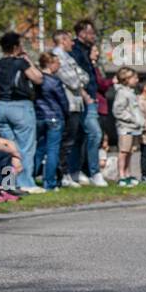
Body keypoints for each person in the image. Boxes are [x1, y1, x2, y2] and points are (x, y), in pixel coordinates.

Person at [0, 31, 43, 192]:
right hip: (20, 106)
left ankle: (9, 182)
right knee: (26, 147)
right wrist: (27, 60)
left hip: (1, 105)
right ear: (16, 47)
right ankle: (26, 183)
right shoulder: (20, 62)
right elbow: (38, 78)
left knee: (8, 147)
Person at [68, 20, 107, 187]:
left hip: (91, 96)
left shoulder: (87, 51)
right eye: (90, 33)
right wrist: (85, 95)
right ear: (82, 33)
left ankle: (77, 170)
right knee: (94, 133)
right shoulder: (75, 50)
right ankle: (93, 171)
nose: (93, 36)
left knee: (82, 136)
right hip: (83, 98)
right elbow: (76, 76)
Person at [51, 30, 86, 187]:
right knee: (65, 142)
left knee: (72, 140)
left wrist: (79, 80)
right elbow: (72, 81)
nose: (73, 43)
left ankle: (68, 173)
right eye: (70, 40)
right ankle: (62, 174)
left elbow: (85, 76)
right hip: (67, 104)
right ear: (63, 40)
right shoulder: (56, 56)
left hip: (76, 103)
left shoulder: (68, 57)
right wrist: (78, 80)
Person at [33, 51, 70, 191]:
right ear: (50, 64)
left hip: (40, 116)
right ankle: (49, 182)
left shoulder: (35, 80)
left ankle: (30, 177)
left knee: (39, 150)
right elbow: (62, 100)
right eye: (57, 63)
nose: (59, 66)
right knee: (52, 150)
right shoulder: (54, 81)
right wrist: (66, 114)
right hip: (55, 117)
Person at [112, 67, 145, 186]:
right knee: (124, 151)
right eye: (134, 78)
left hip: (134, 128)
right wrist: (132, 119)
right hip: (125, 127)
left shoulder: (131, 92)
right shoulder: (122, 93)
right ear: (126, 79)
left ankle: (128, 173)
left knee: (130, 151)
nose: (137, 80)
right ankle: (121, 175)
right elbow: (118, 110)